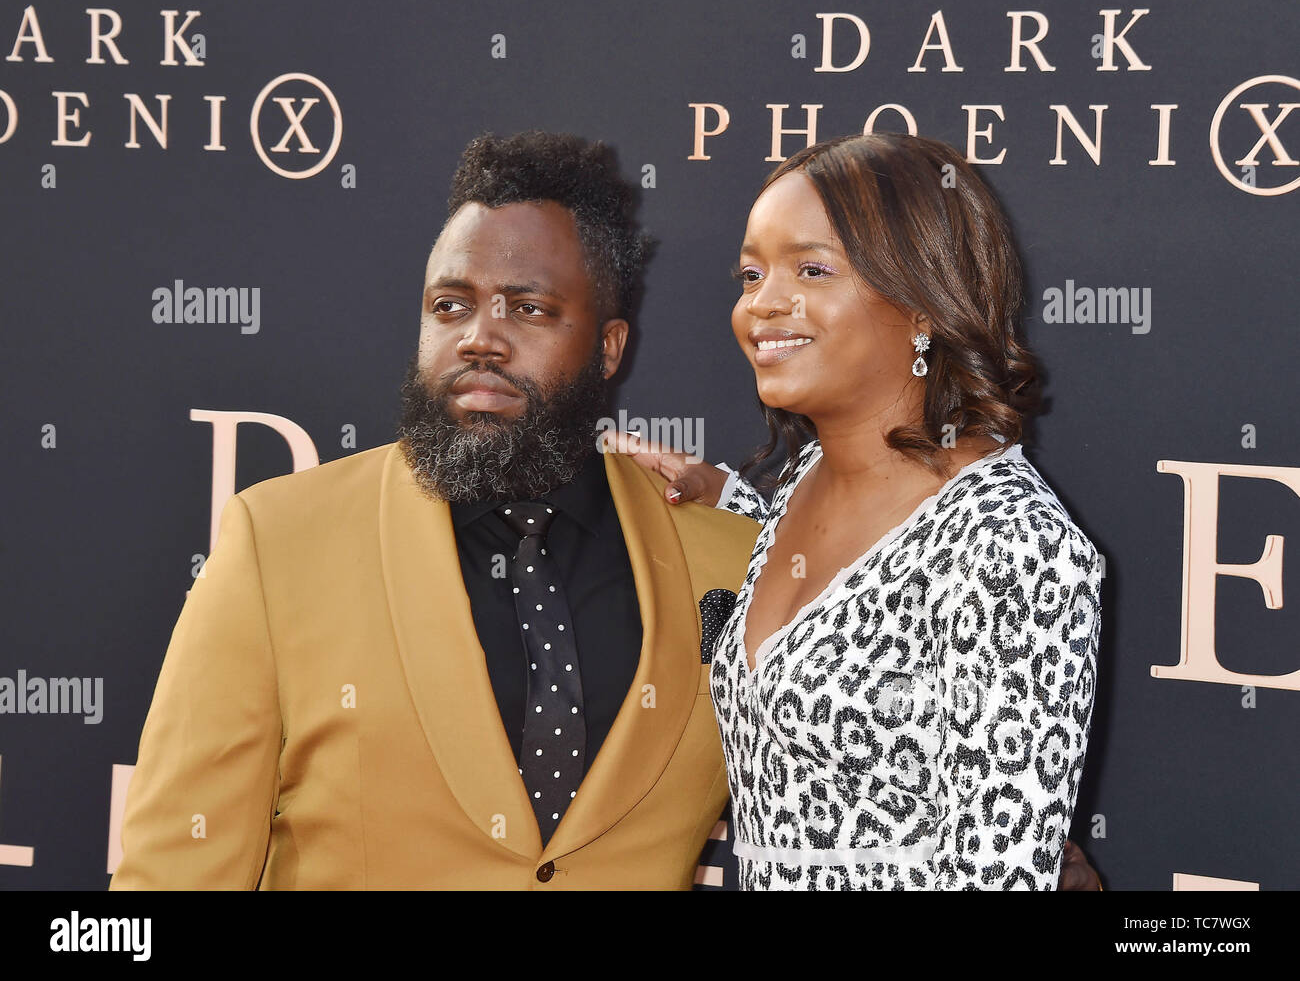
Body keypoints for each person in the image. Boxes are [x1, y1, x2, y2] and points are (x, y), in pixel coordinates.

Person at [110, 130, 760, 889]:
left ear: (609, 348)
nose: (480, 338)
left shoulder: (727, 564)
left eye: (529, 308)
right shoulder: (280, 542)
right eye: (451, 305)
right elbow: (174, 876)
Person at [613, 132, 1103, 889]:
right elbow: (851, 592)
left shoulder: (1012, 547)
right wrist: (724, 498)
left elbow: (993, 874)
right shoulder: (810, 473)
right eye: (751, 272)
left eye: (812, 269)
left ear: (922, 304)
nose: (762, 304)